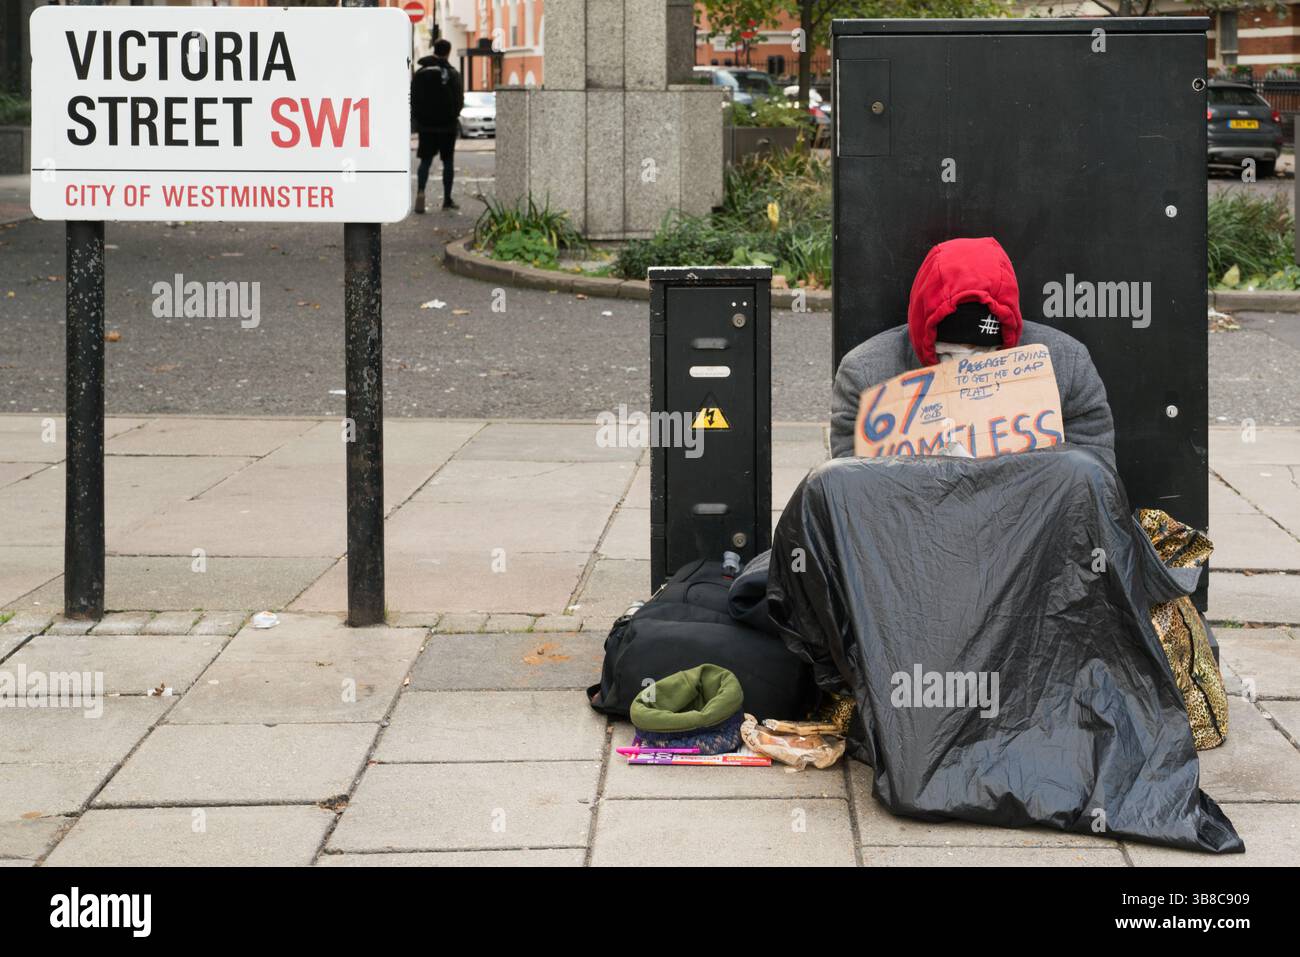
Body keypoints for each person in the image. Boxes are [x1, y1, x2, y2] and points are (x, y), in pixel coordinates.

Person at [830, 237, 1115, 467]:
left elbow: (1092, 476)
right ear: (925, 342)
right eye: (947, 355)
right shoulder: (865, 375)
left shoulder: (1066, 364)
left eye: (983, 355)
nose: (964, 369)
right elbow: (854, 493)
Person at [410, 38, 464, 213]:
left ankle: (420, 192)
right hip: (447, 126)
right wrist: (453, 116)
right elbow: (459, 100)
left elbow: (414, 99)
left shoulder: (421, 72)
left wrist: (417, 120)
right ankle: (447, 199)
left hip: (426, 126)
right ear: (448, 52)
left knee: (425, 161)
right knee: (448, 162)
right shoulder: (453, 73)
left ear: (434, 50)